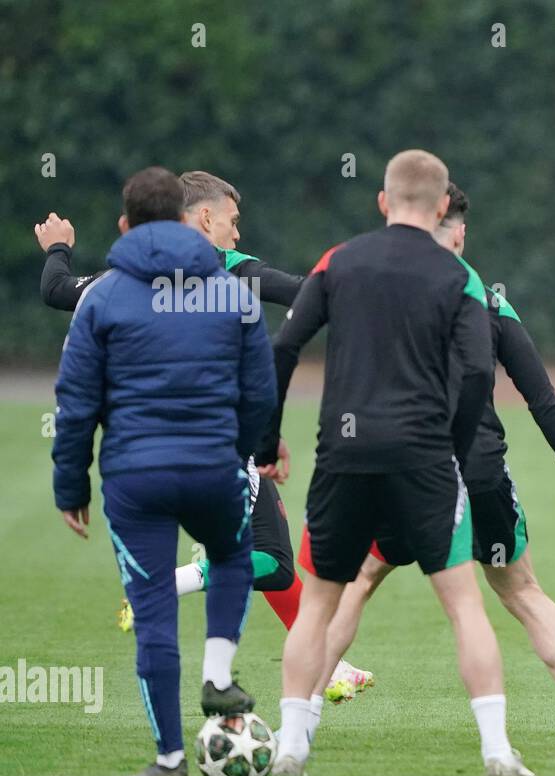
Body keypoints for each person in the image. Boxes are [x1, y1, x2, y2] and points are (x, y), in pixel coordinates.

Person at [304, 183, 555, 754]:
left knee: (356, 584)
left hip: (399, 466)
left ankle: (297, 727)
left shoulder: (371, 284)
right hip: (477, 470)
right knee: (521, 591)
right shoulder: (486, 297)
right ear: (458, 230)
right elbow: (542, 397)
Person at [33, 172, 373, 694]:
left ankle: (328, 668)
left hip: (141, 456)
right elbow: (304, 294)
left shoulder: (121, 279)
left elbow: (57, 290)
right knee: (275, 564)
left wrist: (58, 248)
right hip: (219, 449)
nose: (238, 236)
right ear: (205, 218)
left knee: (272, 546)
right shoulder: (227, 271)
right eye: (233, 222)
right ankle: (179, 591)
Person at [259, 150, 531, 776]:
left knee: (321, 603)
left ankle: (291, 747)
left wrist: (265, 439)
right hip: (424, 457)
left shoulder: (339, 261)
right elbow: (472, 372)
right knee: (464, 605)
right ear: (442, 207)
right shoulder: (458, 278)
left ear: (383, 202)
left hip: (343, 458)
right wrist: (456, 447)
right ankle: (496, 750)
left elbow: (285, 346)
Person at [52, 166, 276, 776]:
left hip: (135, 478)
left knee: (151, 608)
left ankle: (170, 758)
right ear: (187, 218)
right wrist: (244, 450)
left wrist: (70, 485)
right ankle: (218, 675)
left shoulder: (102, 295)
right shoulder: (231, 290)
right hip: (213, 466)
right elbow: (260, 392)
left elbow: (75, 402)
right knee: (231, 558)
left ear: (125, 225)